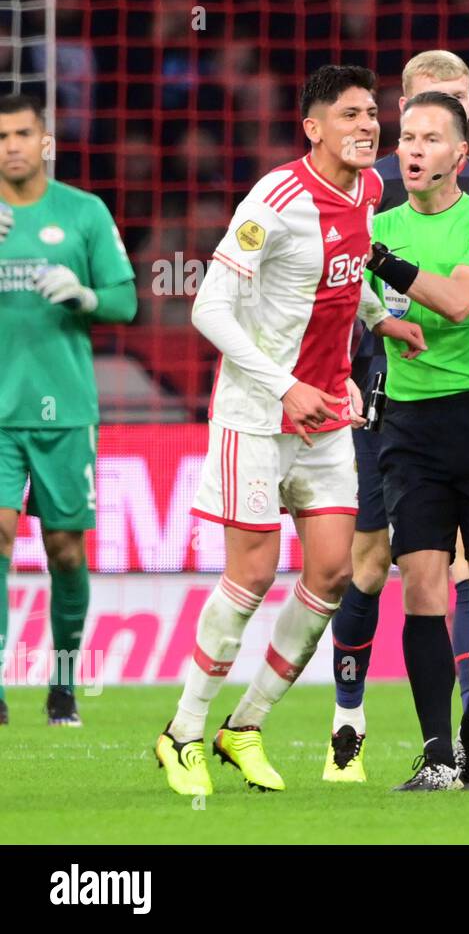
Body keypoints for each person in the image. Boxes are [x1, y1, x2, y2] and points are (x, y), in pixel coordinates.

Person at [155, 65, 423, 796]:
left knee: (333, 572)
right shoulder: (274, 200)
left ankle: (244, 728)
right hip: (256, 413)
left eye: (372, 113)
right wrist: (284, 384)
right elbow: (208, 307)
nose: (368, 126)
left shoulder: (370, 190)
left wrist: (379, 317)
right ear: (312, 128)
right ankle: (180, 732)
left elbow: (341, 274)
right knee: (250, 574)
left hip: (327, 412)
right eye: (349, 115)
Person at [326, 50, 469, 781]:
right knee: (380, 570)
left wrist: (380, 260)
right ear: (395, 117)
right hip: (391, 407)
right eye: (411, 127)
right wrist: (343, 371)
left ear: (463, 139)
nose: (418, 143)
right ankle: (372, 728)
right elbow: (334, 291)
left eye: (444, 119)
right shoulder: (361, 193)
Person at [0, 93, 137, 727]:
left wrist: (85, 295)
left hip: (64, 414)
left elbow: (126, 301)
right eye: (1, 136)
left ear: (46, 140)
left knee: (65, 551)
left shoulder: (83, 213)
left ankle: (61, 682)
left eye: (23, 133)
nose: (12, 146)